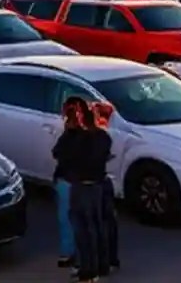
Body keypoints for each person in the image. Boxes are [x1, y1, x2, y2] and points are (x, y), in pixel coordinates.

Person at [69, 99, 112, 283]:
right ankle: (102, 265)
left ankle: (88, 270)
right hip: (98, 184)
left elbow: (64, 155)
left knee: (83, 230)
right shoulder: (104, 138)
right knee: (98, 226)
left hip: (82, 185)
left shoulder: (79, 139)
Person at [50, 98, 87, 269]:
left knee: (66, 219)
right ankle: (82, 254)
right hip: (82, 182)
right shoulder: (88, 137)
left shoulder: (68, 137)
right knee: (81, 219)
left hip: (66, 181)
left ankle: (68, 253)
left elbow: (56, 153)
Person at [92, 101, 120, 271]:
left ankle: (103, 261)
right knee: (109, 223)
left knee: (99, 224)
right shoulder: (106, 136)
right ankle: (112, 258)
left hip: (95, 182)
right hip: (105, 180)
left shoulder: (98, 136)